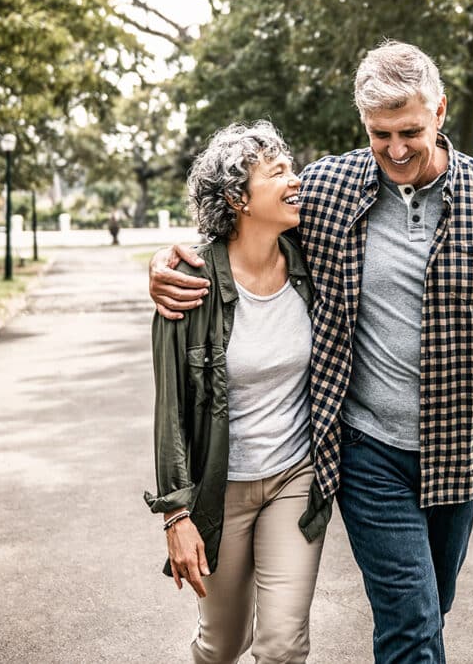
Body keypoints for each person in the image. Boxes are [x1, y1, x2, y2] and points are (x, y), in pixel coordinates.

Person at [149, 40, 473, 664]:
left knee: (432, 606)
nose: (396, 150)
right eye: (380, 135)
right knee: (410, 617)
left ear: (440, 112)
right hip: (365, 448)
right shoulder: (327, 188)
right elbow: (240, 225)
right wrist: (166, 263)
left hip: (456, 449)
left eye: (410, 131)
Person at [144, 121, 331, 664]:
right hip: (218, 490)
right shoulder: (189, 283)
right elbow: (170, 411)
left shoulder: (312, 263)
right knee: (223, 644)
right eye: (277, 173)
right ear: (237, 198)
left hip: (296, 479)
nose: (296, 181)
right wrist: (175, 517)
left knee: (282, 646)